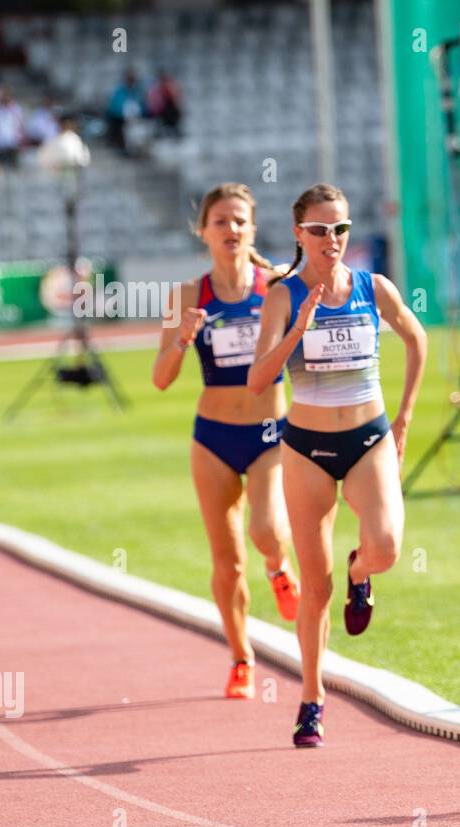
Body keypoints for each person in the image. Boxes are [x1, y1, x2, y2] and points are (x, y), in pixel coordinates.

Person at [248, 183, 427, 748]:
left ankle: (361, 573)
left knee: (387, 548)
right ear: (299, 234)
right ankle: (311, 699)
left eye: (341, 228)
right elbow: (258, 380)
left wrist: (402, 420)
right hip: (305, 447)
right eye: (320, 230)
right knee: (315, 587)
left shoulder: (373, 288)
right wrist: (297, 330)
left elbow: (416, 340)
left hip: (369, 438)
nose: (333, 239)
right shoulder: (282, 296)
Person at [152, 183, 302, 700]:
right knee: (227, 562)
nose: (231, 229)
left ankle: (280, 567)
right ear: (204, 233)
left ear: (253, 229)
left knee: (265, 527)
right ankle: (241, 657)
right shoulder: (189, 297)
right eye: (220, 222)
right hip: (213, 436)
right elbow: (161, 378)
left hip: (269, 432)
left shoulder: (278, 287)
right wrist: (181, 339)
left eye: (240, 220)